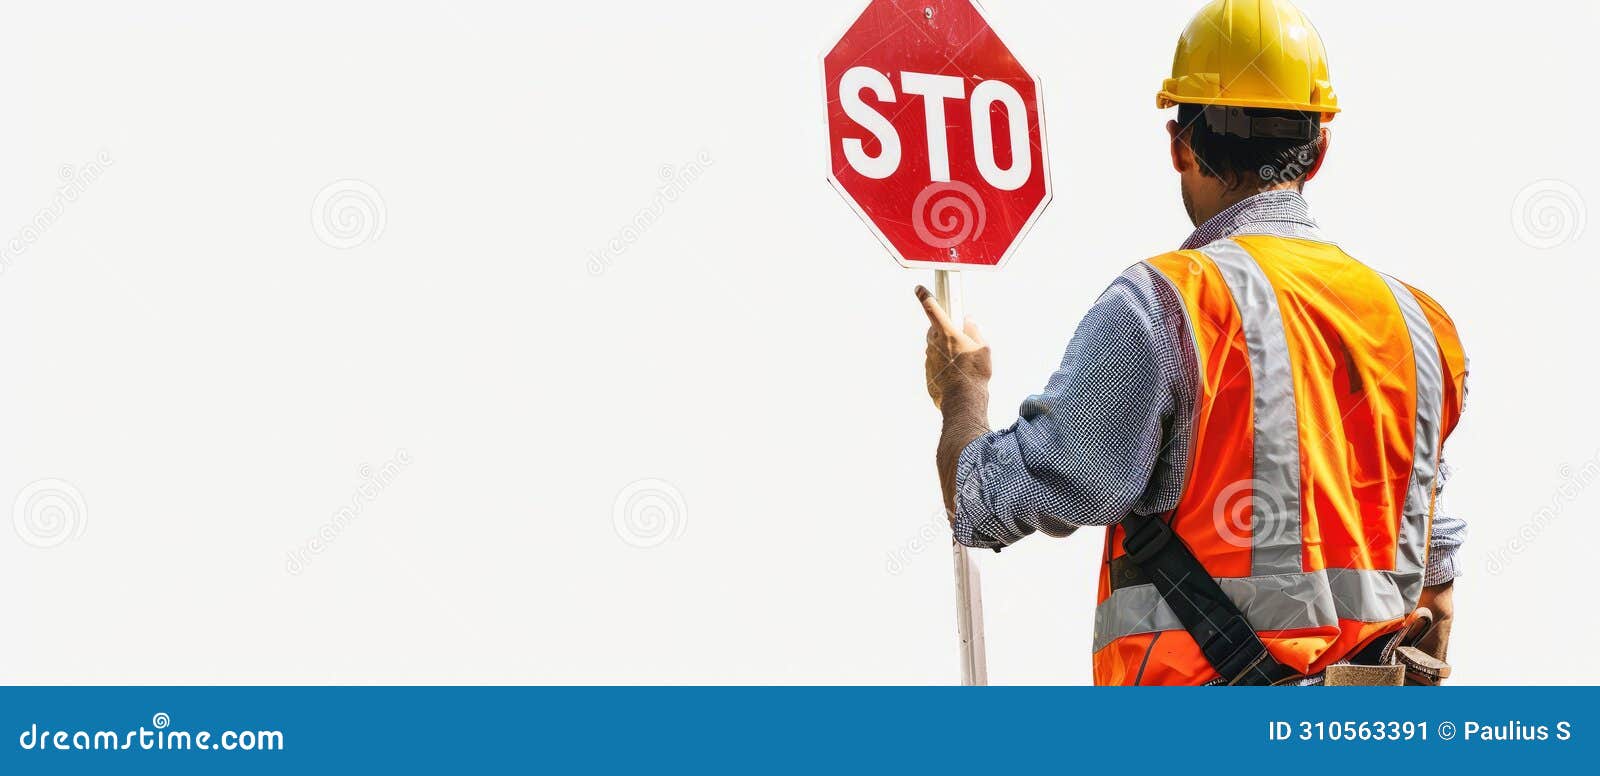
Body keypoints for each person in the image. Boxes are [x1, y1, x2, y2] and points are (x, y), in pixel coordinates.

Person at [917, 0, 1467, 685]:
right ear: (1319, 151)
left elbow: (985, 504)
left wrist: (961, 394)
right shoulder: (1419, 325)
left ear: (1181, 143)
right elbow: (1434, 588)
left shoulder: (1164, 305)